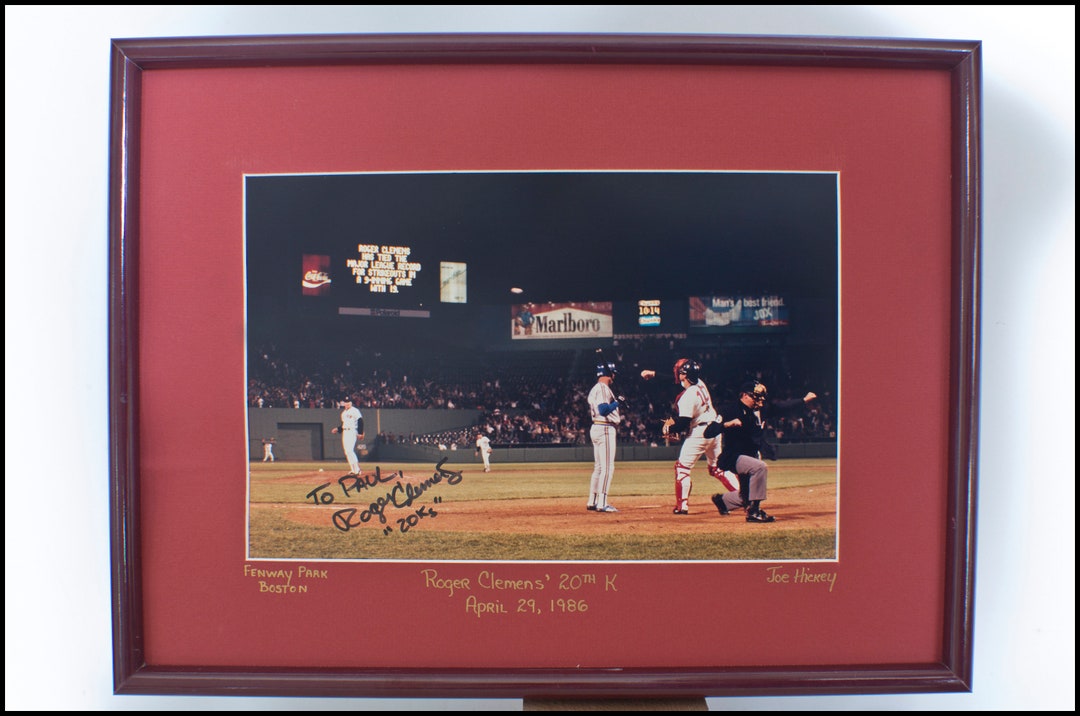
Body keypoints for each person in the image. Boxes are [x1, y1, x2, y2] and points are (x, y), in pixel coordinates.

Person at [704, 380, 818, 523]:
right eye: (756, 397)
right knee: (760, 467)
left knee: (746, 495)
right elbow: (708, 432)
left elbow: (782, 407)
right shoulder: (729, 410)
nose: (760, 400)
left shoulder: (760, 410)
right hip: (733, 456)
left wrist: (803, 400)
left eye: (761, 397)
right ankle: (754, 512)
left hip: (750, 456)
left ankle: (722, 501)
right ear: (745, 396)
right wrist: (727, 424)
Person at [661, 358, 727, 515]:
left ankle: (682, 506)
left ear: (684, 374)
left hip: (700, 432)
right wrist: (655, 374)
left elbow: (683, 424)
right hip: (714, 427)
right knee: (718, 468)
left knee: (682, 468)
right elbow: (678, 381)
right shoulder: (700, 383)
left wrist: (669, 428)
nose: (677, 374)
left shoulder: (687, 396)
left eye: (679, 371)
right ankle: (742, 496)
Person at [586, 361, 622, 513]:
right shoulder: (602, 388)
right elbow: (603, 410)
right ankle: (602, 502)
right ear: (609, 374)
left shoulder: (595, 388)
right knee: (607, 467)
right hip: (605, 428)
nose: (614, 376)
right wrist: (618, 402)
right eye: (613, 373)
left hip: (597, 427)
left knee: (599, 467)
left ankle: (592, 500)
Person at [330, 397, 364, 475]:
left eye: (349, 402)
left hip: (352, 431)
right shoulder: (343, 413)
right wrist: (337, 429)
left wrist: (360, 432)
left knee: (349, 450)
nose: (347, 403)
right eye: (346, 402)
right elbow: (344, 425)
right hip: (345, 432)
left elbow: (360, 421)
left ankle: (357, 470)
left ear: (351, 403)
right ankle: (353, 470)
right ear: (344, 403)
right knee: (347, 451)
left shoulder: (355, 411)